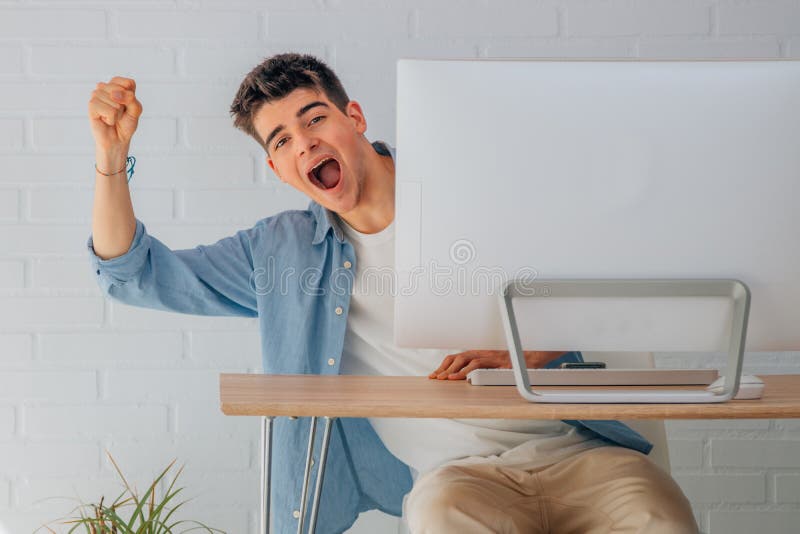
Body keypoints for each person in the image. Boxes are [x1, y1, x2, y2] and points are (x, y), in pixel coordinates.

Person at [87, 53, 698, 533]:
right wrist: (111, 160)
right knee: (437, 520)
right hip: (456, 483)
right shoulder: (280, 253)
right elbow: (134, 275)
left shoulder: (473, 183)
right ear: (277, 170)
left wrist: (525, 356)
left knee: (660, 513)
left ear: (354, 117)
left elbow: (602, 277)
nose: (303, 144)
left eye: (314, 118)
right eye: (280, 141)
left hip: (580, 455)